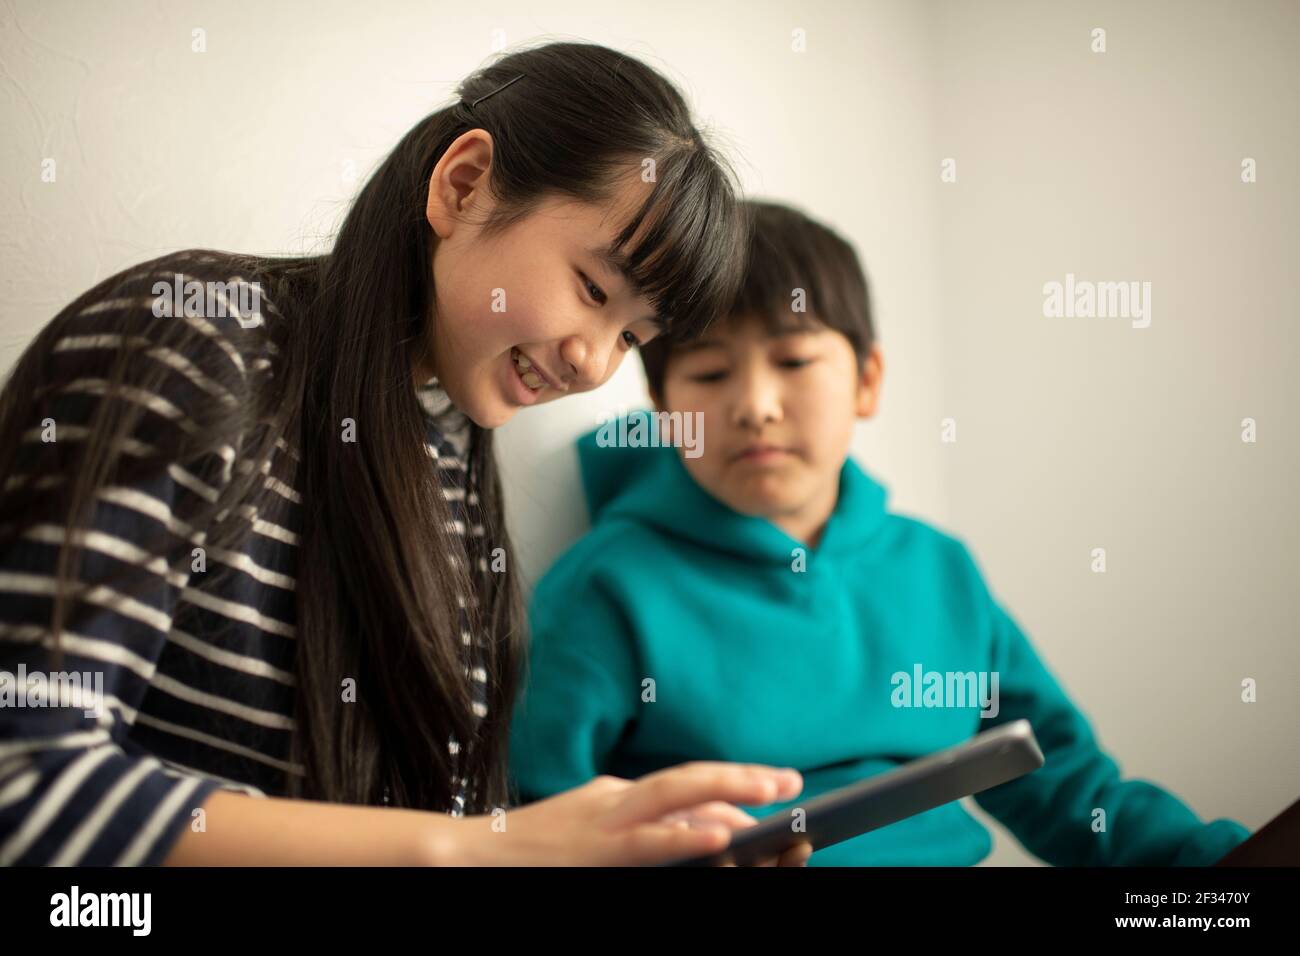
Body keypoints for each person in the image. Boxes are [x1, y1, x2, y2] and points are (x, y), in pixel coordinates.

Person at [0, 44, 811, 867]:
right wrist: (474, 850)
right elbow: (25, 781)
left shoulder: (450, 450)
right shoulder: (200, 344)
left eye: (631, 336)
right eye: (594, 291)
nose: (594, 364)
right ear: (463, 185)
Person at [509, 199, 1251, 865]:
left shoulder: (938, 569)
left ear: (867, 380)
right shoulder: (606, 585)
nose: (755, 405)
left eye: (794, 360)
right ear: (664, 404)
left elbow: (1061, 779)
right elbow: (543, 817)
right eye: (708, 374)